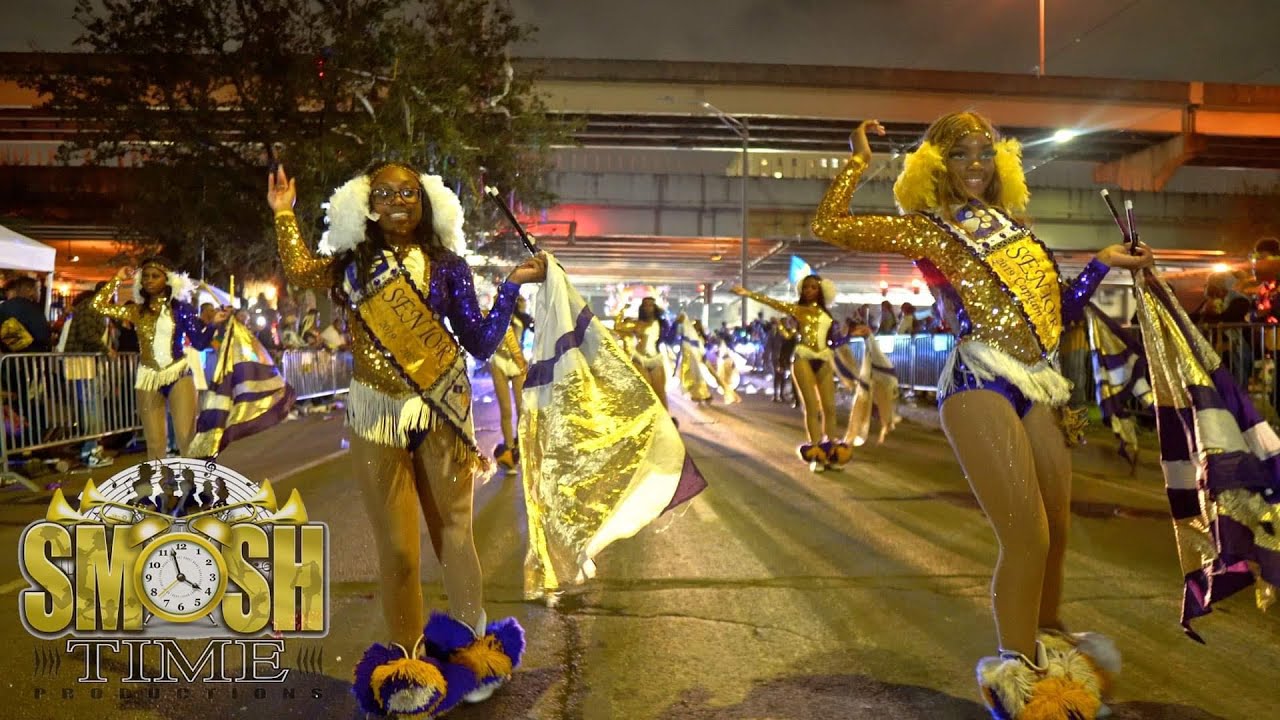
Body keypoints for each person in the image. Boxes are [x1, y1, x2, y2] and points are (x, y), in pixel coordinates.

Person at [812, 114, 1153, 719]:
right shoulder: (930, 230)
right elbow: (829, 226)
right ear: (935, 165)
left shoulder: (1016, 229)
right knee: (1027, 537)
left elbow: (1058, 310)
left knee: (1057, 531)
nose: (975, 163)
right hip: (978, 381)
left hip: (1036, 384)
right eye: (960, 153)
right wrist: (858, 161)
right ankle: (1018, 679)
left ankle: (1049, 642)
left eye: (985, 152)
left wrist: (1102, 263)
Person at [270, 162, 542, 716]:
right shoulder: (352, 266)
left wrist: (512, 285)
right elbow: (299, 270)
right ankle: (406, 661)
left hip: (441, 407)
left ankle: (473, 649)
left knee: (455, 535)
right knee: (397, 550)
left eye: (409, 193)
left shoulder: (448, 265)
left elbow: (481, 341)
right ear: (368, 205)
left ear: (425, 202)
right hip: (375, 413)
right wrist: (283, 215)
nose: (398, 201)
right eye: (386, 193)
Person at [91, 259, 226, 460]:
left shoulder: (183, 309)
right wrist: (118, 279)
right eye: (145, 276)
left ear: (168, 279)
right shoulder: (137, 310)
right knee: (154, 444)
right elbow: (97, 305)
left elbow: (199, 342)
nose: (149, 280)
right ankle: (158, 481)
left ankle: (192, 479)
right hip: (148, 378)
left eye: (155, 276)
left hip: (179, 373)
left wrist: (213, 324)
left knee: (186, 439)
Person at [732, 276, 853, 472]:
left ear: (821, 291)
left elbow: (835, 341)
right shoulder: (799, 310)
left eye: (813, 287)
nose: (808, 290)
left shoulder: (827, 315)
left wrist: (851, 335)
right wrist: (748, 293)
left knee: (830, 407)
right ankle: (816, 452)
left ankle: (831, 450)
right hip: (803, 358)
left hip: (823, 358)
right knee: (812, 407)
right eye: (805, 287)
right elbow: (774, 303)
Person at [490, 295, 532, 471]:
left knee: (522, 408)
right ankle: (509, 449)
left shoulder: (523, 319)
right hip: (498, 362)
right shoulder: (495, 317)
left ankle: (520, 447)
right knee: (506, 410)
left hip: (517, 364)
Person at [614, 297, 676, 410]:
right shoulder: (636, 324)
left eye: (650, 305)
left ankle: (665, 419)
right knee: (644, 393)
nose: (647, 307)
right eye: (645, 305)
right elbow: (618, 326)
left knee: (660, 393)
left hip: (655, 360)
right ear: (641, 308)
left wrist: (678, 324)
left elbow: (670, 338)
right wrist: (622, 310)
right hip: (639, 360)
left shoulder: (661, 324)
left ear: (654, 308)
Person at [0, 277, 52, 353]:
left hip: (7, 357)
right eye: (38, 289)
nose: (39, 293)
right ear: (29, 290)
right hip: (32, 357)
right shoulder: (33, 309)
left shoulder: (3, 307)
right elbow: (43, 336)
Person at [675, 312, 713, 404]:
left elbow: (704, 348)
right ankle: (696, 395)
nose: (695, 326)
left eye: (697, 325)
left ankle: (706, 395)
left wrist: (704, 355)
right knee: (692, 376)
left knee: (701, 377)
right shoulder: (689, 336)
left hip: (699, 359)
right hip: (691, 359)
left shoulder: (700, 337)